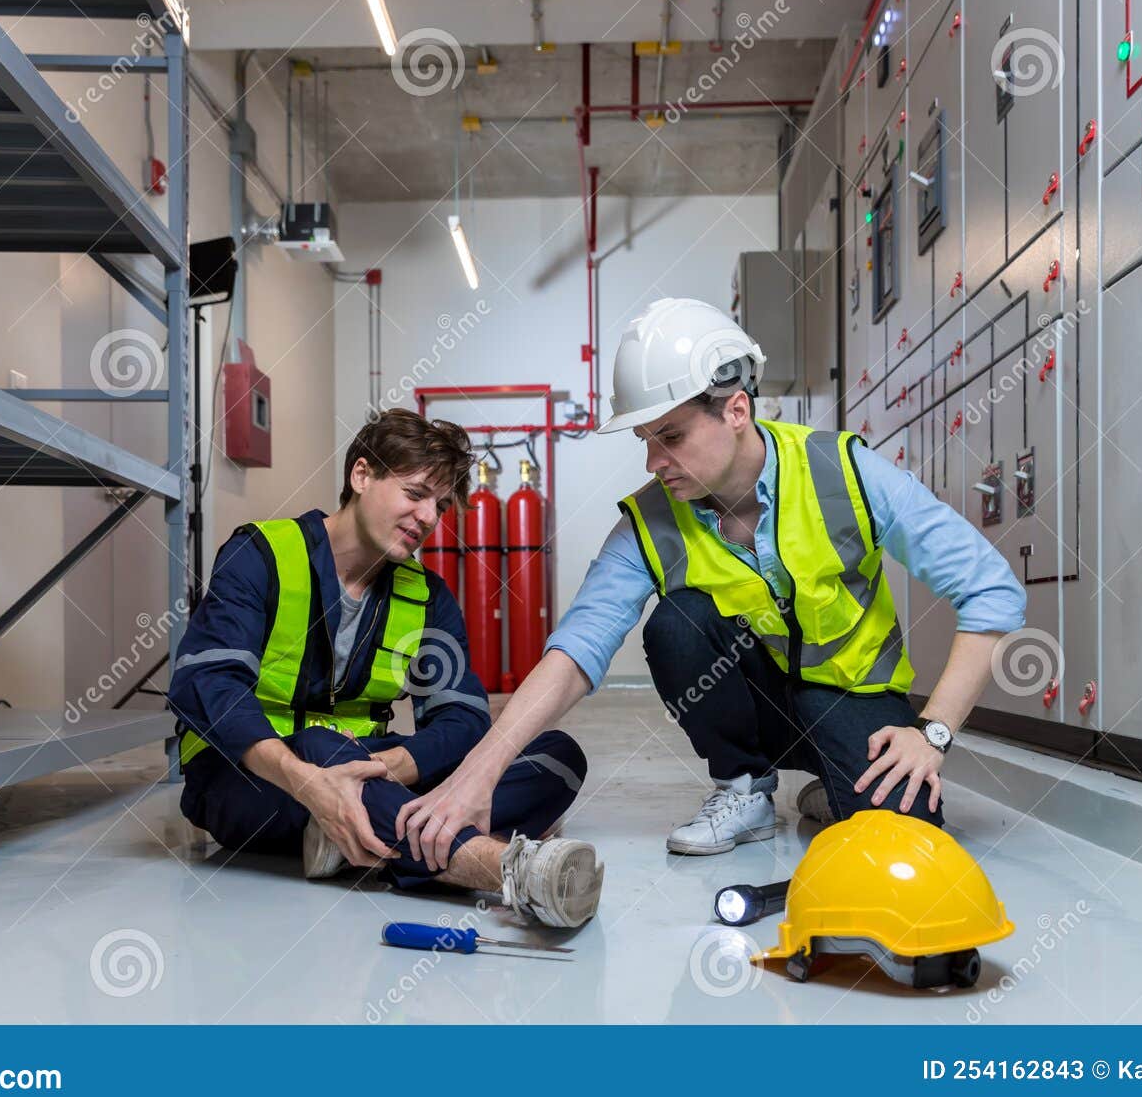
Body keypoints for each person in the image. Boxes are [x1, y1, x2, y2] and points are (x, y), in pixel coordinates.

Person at [396, 297, 1027, 870]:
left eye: (670, 437)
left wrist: (933, 731)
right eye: (646, 440)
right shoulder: (650, 521)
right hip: (756, 710)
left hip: (851, 698)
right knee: (678, 622)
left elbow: (991, 589)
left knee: (901, 837)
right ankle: (744, 787)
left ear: (735, 409)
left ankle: (833, 786)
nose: (654, 462)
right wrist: (478, 773)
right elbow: (576, 650)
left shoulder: (842, 471)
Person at [168, 409, 602, 928]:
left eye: (440, 505)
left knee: (556, 756)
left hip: (363, 770)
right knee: (322, 746)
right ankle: (506, 868)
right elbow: (207, 685)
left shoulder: (425, 594)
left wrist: (384, 768)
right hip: (252, 776)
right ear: (361, 475)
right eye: (415, 493)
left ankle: (353, 833)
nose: (428, 517)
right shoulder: (261, 555)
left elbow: (463, 718)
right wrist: (309, 781)